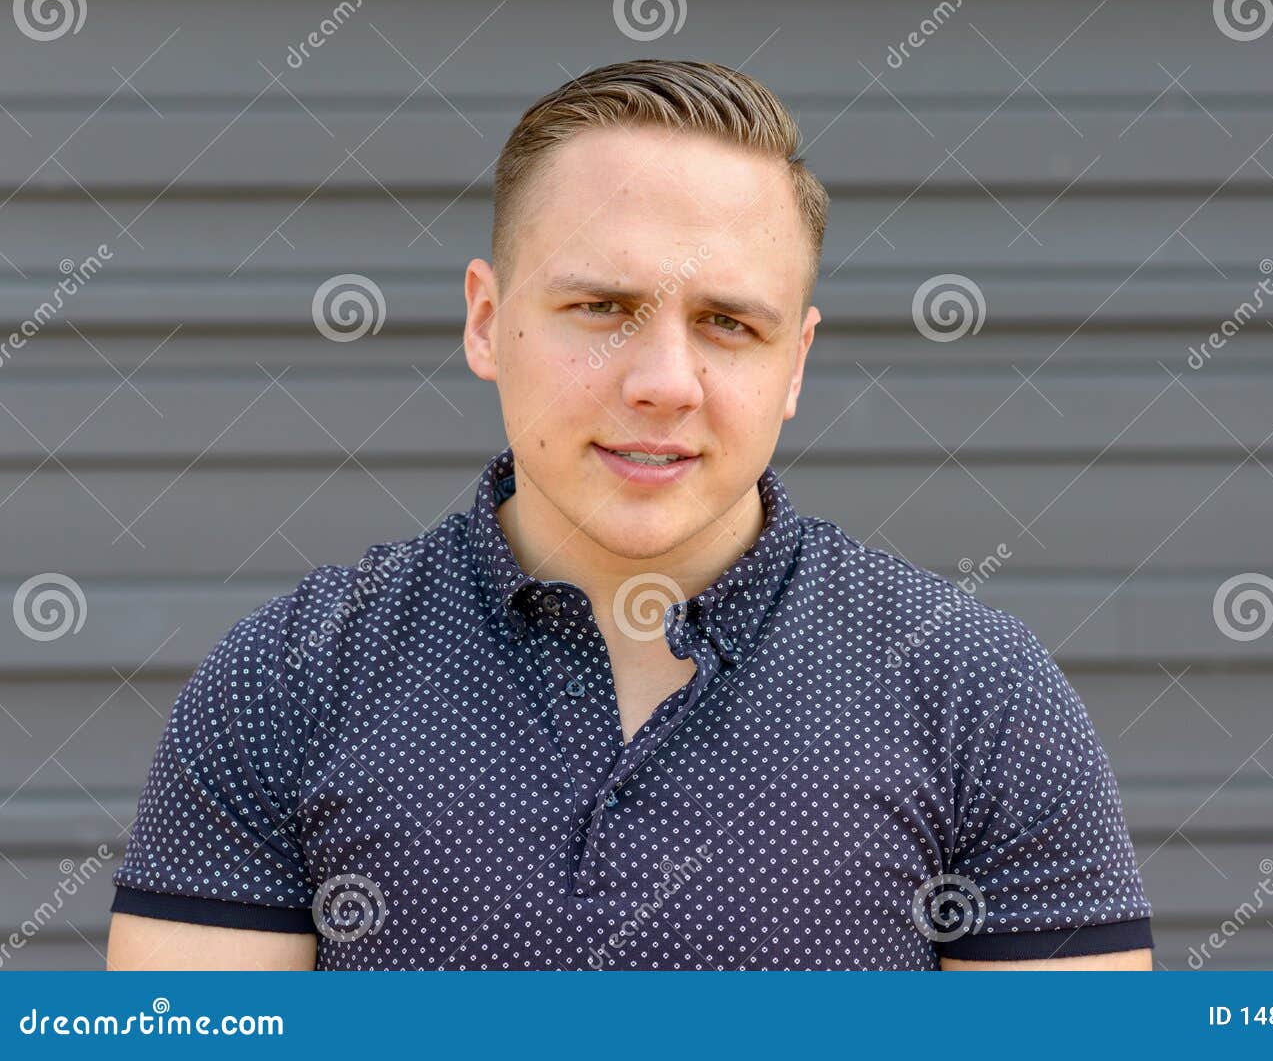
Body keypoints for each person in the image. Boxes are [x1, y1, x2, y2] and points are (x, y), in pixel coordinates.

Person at [106, 59, 1153, 970]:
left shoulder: (977, 696)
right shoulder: (285, 683)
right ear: (486, 320)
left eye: (728, 323)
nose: (662, 383)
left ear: (795, 363)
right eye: (602, 308)